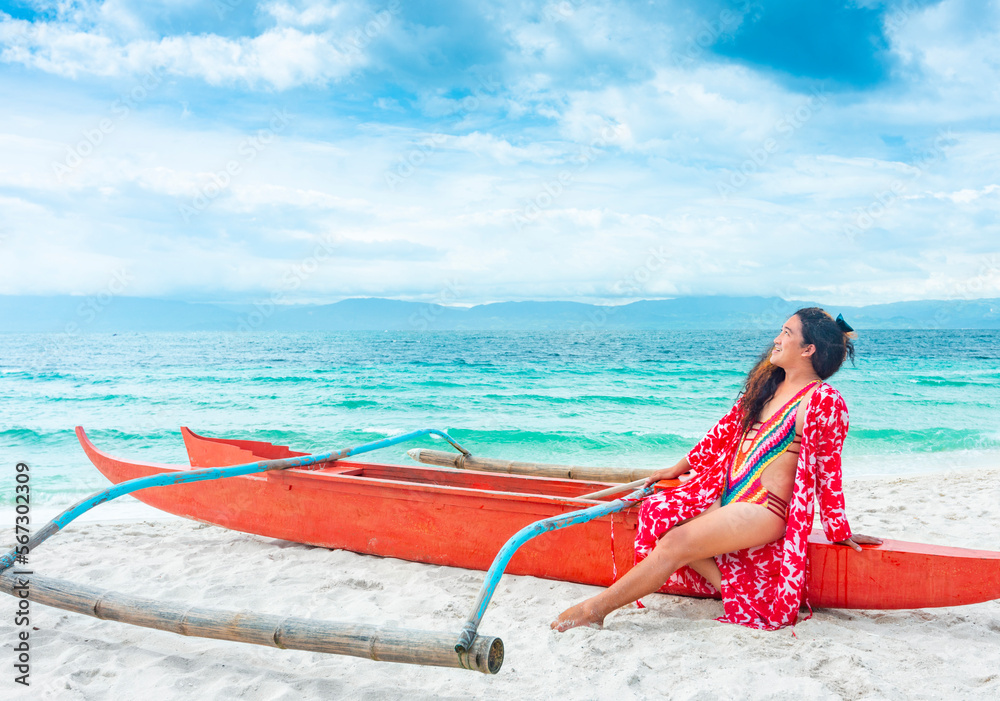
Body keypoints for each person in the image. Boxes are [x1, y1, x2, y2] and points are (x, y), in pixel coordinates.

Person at [552, 307, 881, 632]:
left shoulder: (823, 400)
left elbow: (828, 468)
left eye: (787, 333)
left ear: (808, 350)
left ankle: (594, 610)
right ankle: (735, 594)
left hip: (764, 508)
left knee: (675, 543)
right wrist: (674, 468)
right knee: (664, 522)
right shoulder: (768, 386)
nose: (777, 339)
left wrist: (840, 532)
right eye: (780, 331)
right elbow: (719, 433)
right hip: (728, 494)